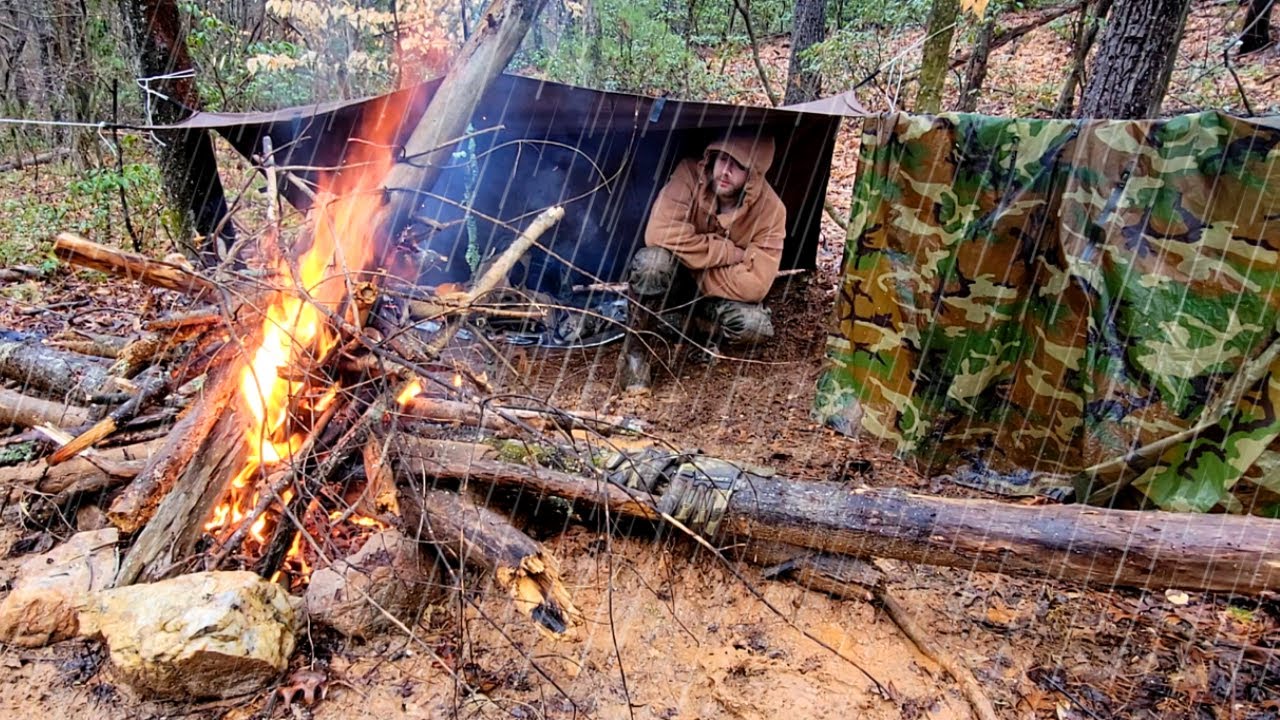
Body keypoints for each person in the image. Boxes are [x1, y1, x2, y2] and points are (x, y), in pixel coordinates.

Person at [618, 131, 787, 392]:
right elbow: (659, 233)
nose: (725, 171)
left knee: (754, 327)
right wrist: (727, 253)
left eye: (738, 166)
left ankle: (680, 326)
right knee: (651, 263)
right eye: (722, 159)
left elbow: (755, 284)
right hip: (676, 282)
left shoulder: (771, 210)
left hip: (718, 299)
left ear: (753, 175)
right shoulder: (689, 174)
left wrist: (694, 260)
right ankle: (636, 355)